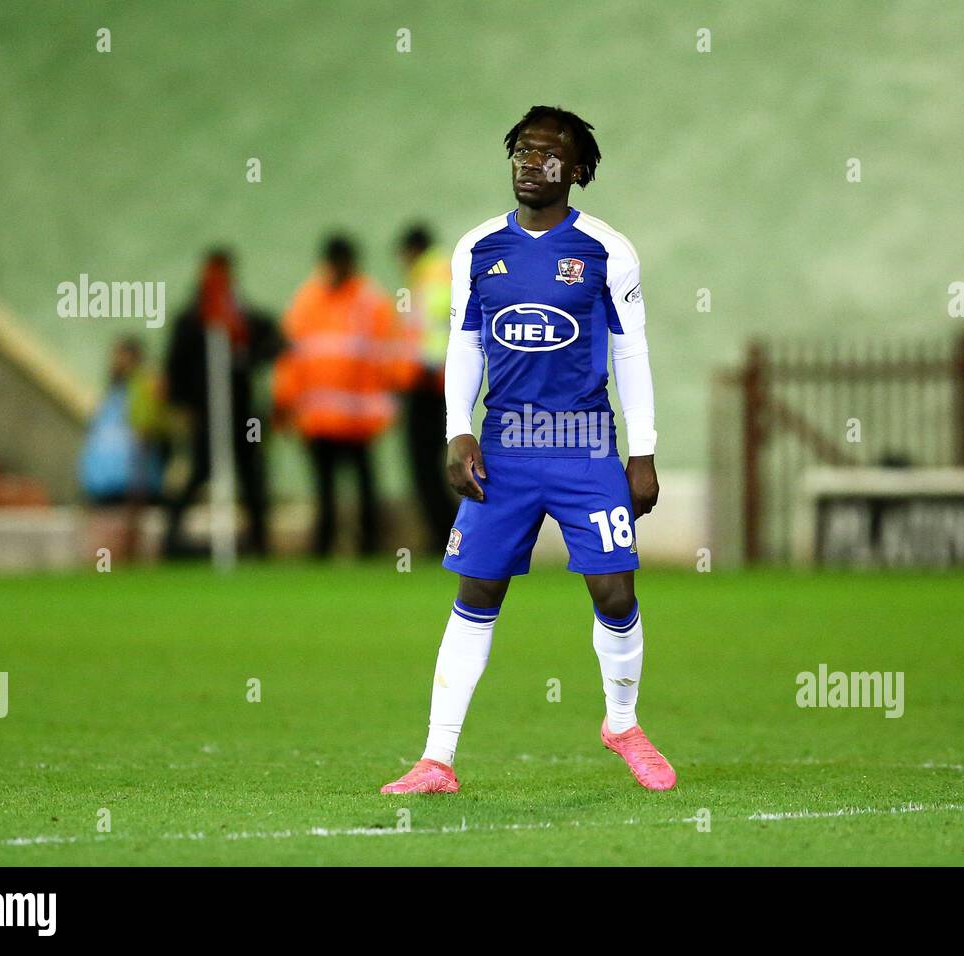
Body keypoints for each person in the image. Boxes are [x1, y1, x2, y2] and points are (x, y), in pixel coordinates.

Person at [380, 105, 672, 795]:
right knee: (476, 590)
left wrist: (644, 450)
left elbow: (630, 349)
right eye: (520, 150)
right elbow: (464, 342)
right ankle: (437, 760)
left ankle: (622, 724)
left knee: (614, 588)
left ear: (576, 171)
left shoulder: (607, 250)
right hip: (505, 448)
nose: (528, 162)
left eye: (545, 154)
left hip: (584, 446)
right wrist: (458, 428)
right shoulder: (478, 247)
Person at [274, 236, 414, 557]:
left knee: (365, 489)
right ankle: (323, 549)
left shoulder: (370, 302)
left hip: (358, 419)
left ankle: (367, 548)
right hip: (318, 419)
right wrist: (283, 402)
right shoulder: (307, 301)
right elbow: (291, 357)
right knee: (324, 491)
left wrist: (395, 399)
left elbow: (389, 356)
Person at [163, 250, 279, 558]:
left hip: (245, 416)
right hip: (207, 414)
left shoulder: (242, 315)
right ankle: (170, 540)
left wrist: (249, 358)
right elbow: (175, 367)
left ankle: (260, 543)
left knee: (252, 474)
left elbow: (275, 341)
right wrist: (184, 406)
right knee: (200, 471)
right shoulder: (193, 318)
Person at [397, 224, 457, 550]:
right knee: (434, 464)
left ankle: (444, 537)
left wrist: (427, 369)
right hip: (436, 381)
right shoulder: (440, 269)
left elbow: (436, 328)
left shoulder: (429, 274)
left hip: (429, 382)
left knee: (425, 466)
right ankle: (446, 536)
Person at [79, 337, 166, 557]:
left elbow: (144, 434)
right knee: (102, 542)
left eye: (122, 357)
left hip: (130, 481)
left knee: (123, 538)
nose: (116, 362)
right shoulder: (110, 394)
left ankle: (128, 557)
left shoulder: (143, 389)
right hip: (101, 484)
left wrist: (138, 481)